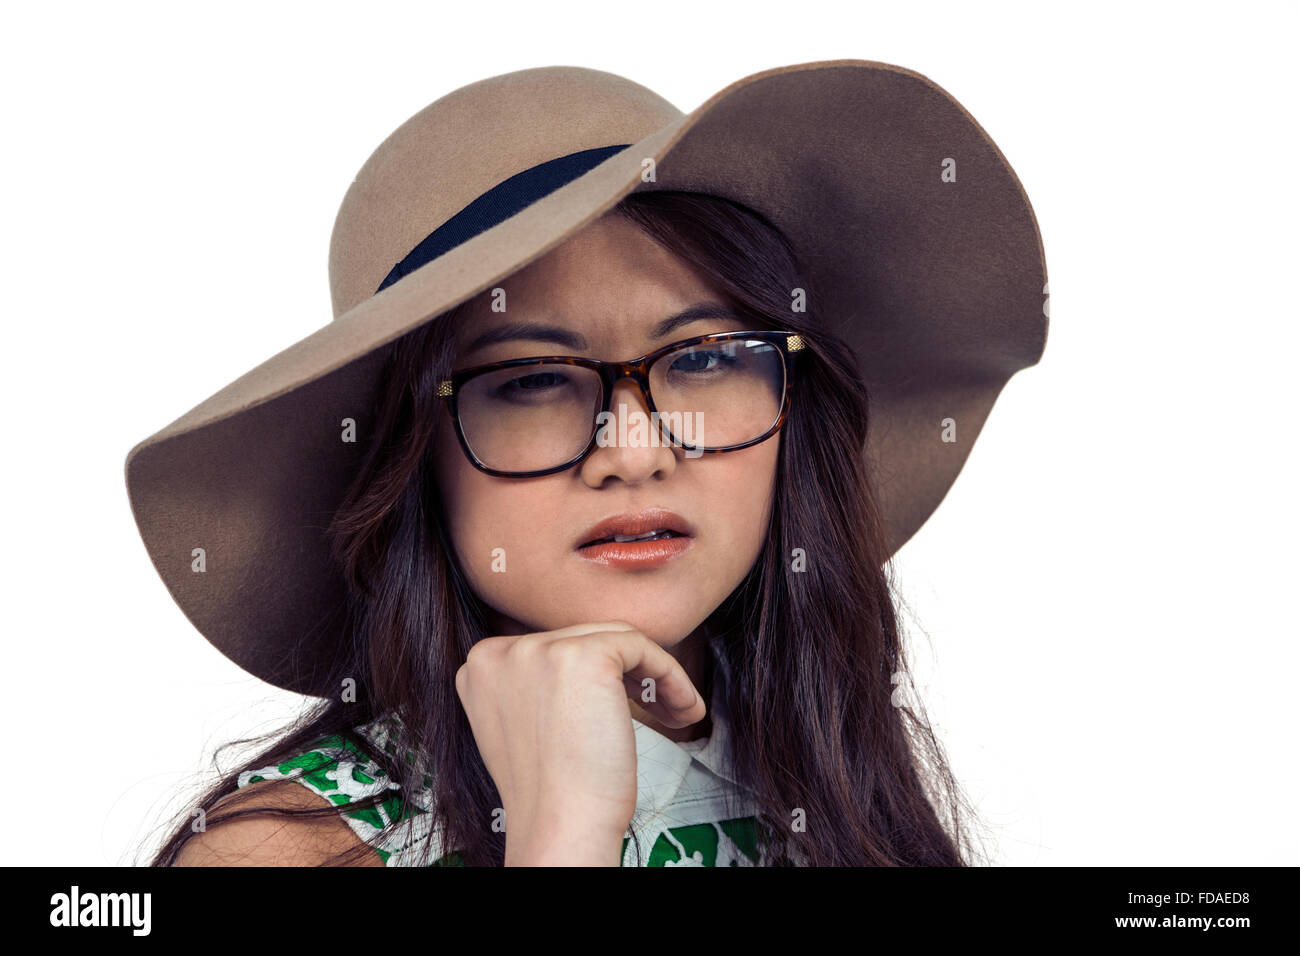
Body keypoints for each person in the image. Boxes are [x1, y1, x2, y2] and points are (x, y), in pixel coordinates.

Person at [132, 62, 1047, 867]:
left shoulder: (847, 796)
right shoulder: (287, 851)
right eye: (531, 380)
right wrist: (560, 833)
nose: (635, 452)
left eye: (703, 358)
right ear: (412, 460)